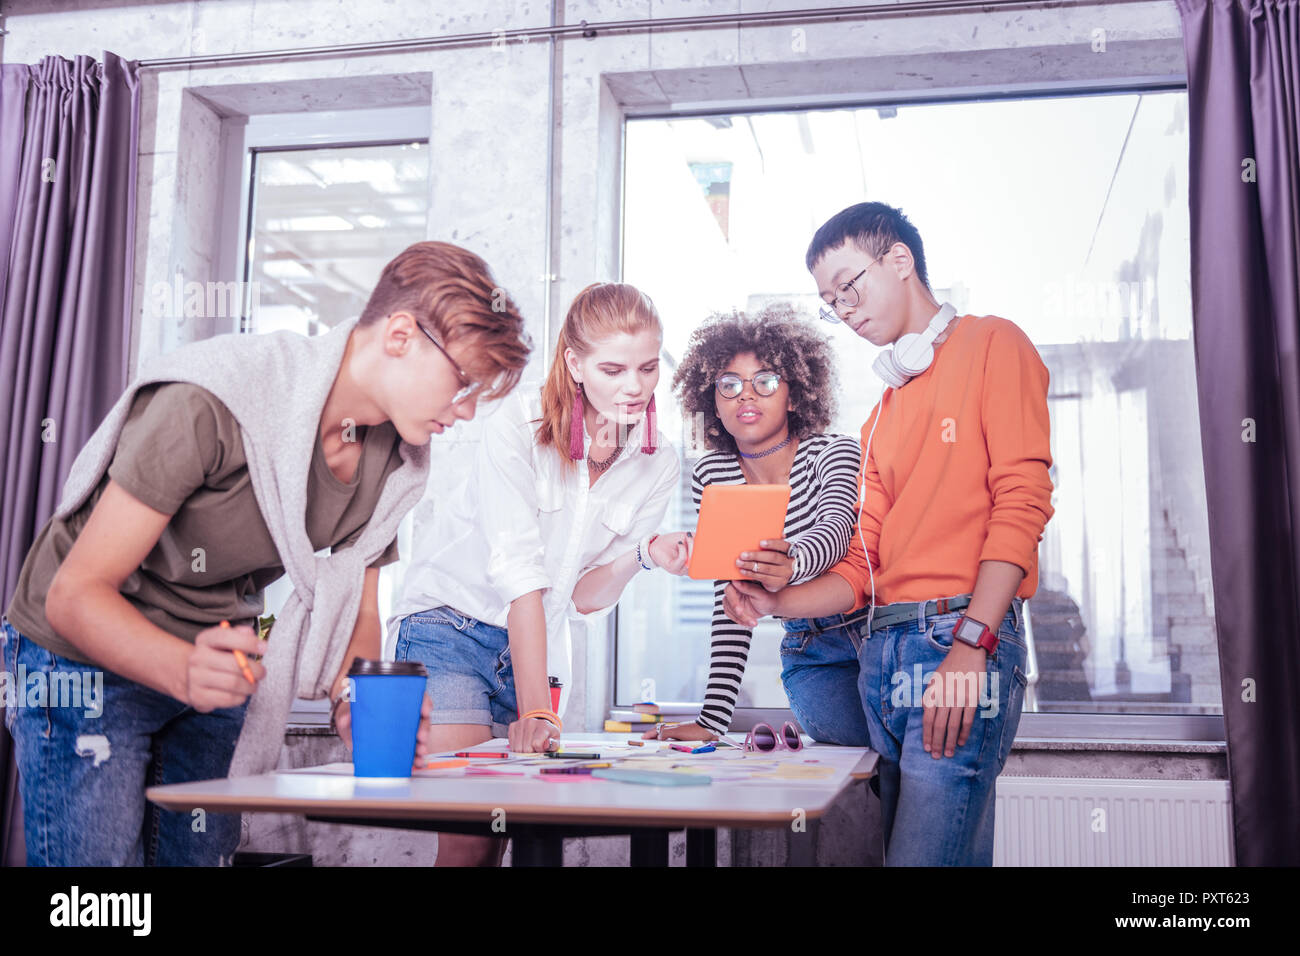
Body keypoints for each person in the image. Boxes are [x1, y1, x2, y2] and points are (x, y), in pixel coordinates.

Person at [1, 241, 531, 866]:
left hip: (216, 664)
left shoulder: (397, 457)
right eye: (463, 383)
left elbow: (359, 606)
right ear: (400, 335)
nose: (465, 412)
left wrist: (351, 705)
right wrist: (179, 667)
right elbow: (73, 594)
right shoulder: (216, 399)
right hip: (83, 655)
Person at [724, 202, 1055, 865]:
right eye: (829, 300)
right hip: (884, 653)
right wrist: (773, 603)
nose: (844, 308)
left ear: (899, 260)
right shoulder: (878, 418)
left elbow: (1021, 503)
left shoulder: (994, 343)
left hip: (957, 638)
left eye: (850, 285)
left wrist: (973, 644)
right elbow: (857, 569)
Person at [387, 281, 691, 867]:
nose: (635, 386)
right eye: (613, 368)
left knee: (513, 830)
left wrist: (645, 556)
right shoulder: (518, 424)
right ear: (574, 363)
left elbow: (582, 596)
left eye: (648, 368)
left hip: (537, 642)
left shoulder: (660, 461)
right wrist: (535, 711)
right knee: (472, 834)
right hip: (450, 627)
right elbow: (521, 576)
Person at [646, 308, 865, 746]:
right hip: (811, 651)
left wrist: (790, 562)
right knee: (855, 766)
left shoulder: (834, 452)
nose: (746, 395)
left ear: (795, 395)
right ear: (713, 402)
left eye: (764, 381)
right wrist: (713, 721)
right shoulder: (712, 473)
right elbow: (732, 601)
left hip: (873, 633)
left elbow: (837, 529)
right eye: (729, 385)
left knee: (898, 769)